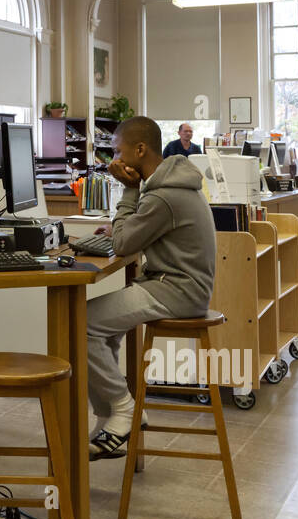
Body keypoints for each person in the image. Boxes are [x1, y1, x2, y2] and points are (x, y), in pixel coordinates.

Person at [87, 116, 216, 460]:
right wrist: (121, 230)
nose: (114, 161)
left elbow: (126, 243)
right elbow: (133, 235)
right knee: (103, 327)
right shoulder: (173, 182)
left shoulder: (162, 196)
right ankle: (110, 418)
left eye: (118, 152)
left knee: (82, 323)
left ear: (140, 149)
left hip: (177, 291)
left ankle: (123, 410)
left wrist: (128, 192)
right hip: (179, 286)